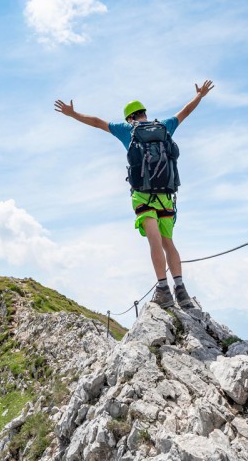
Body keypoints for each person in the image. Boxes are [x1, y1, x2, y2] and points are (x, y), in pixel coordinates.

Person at [54, 80, 215, 310]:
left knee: (154, 241)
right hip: (166, 195)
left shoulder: (127, 130)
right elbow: (185, 111)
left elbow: (97, 122)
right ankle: (181, 291)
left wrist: (72, 114)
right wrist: (199, 95)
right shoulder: (164, 126)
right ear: (144, 113)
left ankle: (163, 290)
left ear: (129, 117)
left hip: (143, 196)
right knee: (168, 242)